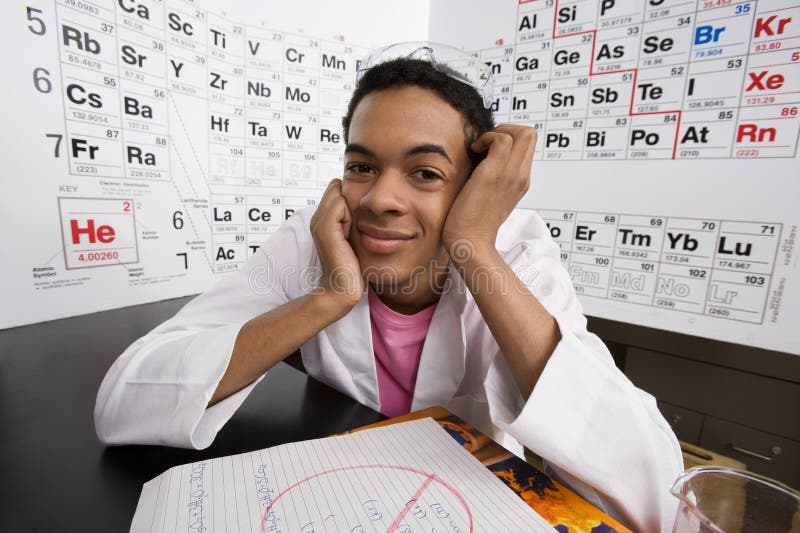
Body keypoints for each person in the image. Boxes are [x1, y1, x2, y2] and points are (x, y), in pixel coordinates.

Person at [95, 42, 683, 531]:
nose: (379, 199)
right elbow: (125, 402)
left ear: (473, 187)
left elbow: (656, 494)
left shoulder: (515, 253)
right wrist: (327, 298)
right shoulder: (312, 240)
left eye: (426, 173)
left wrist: (473, 244)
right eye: (361, 166)